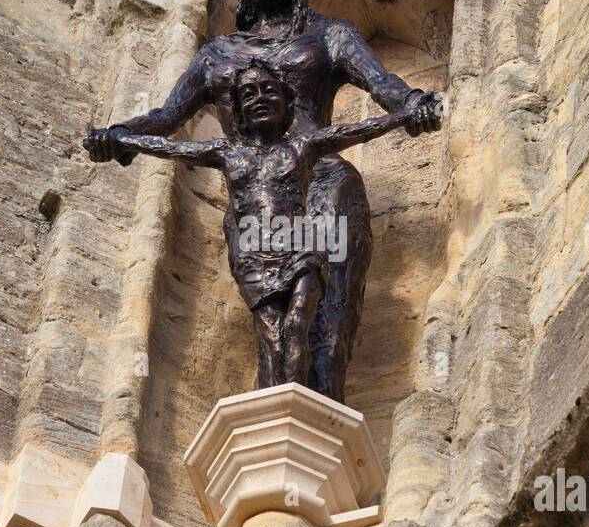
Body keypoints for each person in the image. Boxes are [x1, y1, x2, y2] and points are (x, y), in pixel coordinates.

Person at [84, 0, 443, 401]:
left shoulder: (330, 35)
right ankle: (277, 420)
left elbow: (385, 88)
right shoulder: (218, 54)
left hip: (324, 180)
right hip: (256, 194)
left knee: (325, 316)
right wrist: (120, 135)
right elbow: (169, 116)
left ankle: (320, 415)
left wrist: (413, 105)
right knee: (272, 319)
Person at [88, 60, 426, 389]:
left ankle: (294, 413)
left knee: (296, 325)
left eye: (268, 90)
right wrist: (122, 139)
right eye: (249, 94)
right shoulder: (228, 152)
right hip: (256, 249)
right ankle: (276, 413)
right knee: (271, 335)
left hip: (299, 243)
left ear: (287, 102)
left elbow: (357, 130)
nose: (260, 98)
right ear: (238, 111)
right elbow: (170, 145)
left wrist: (405, 115)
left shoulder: (302, 146)